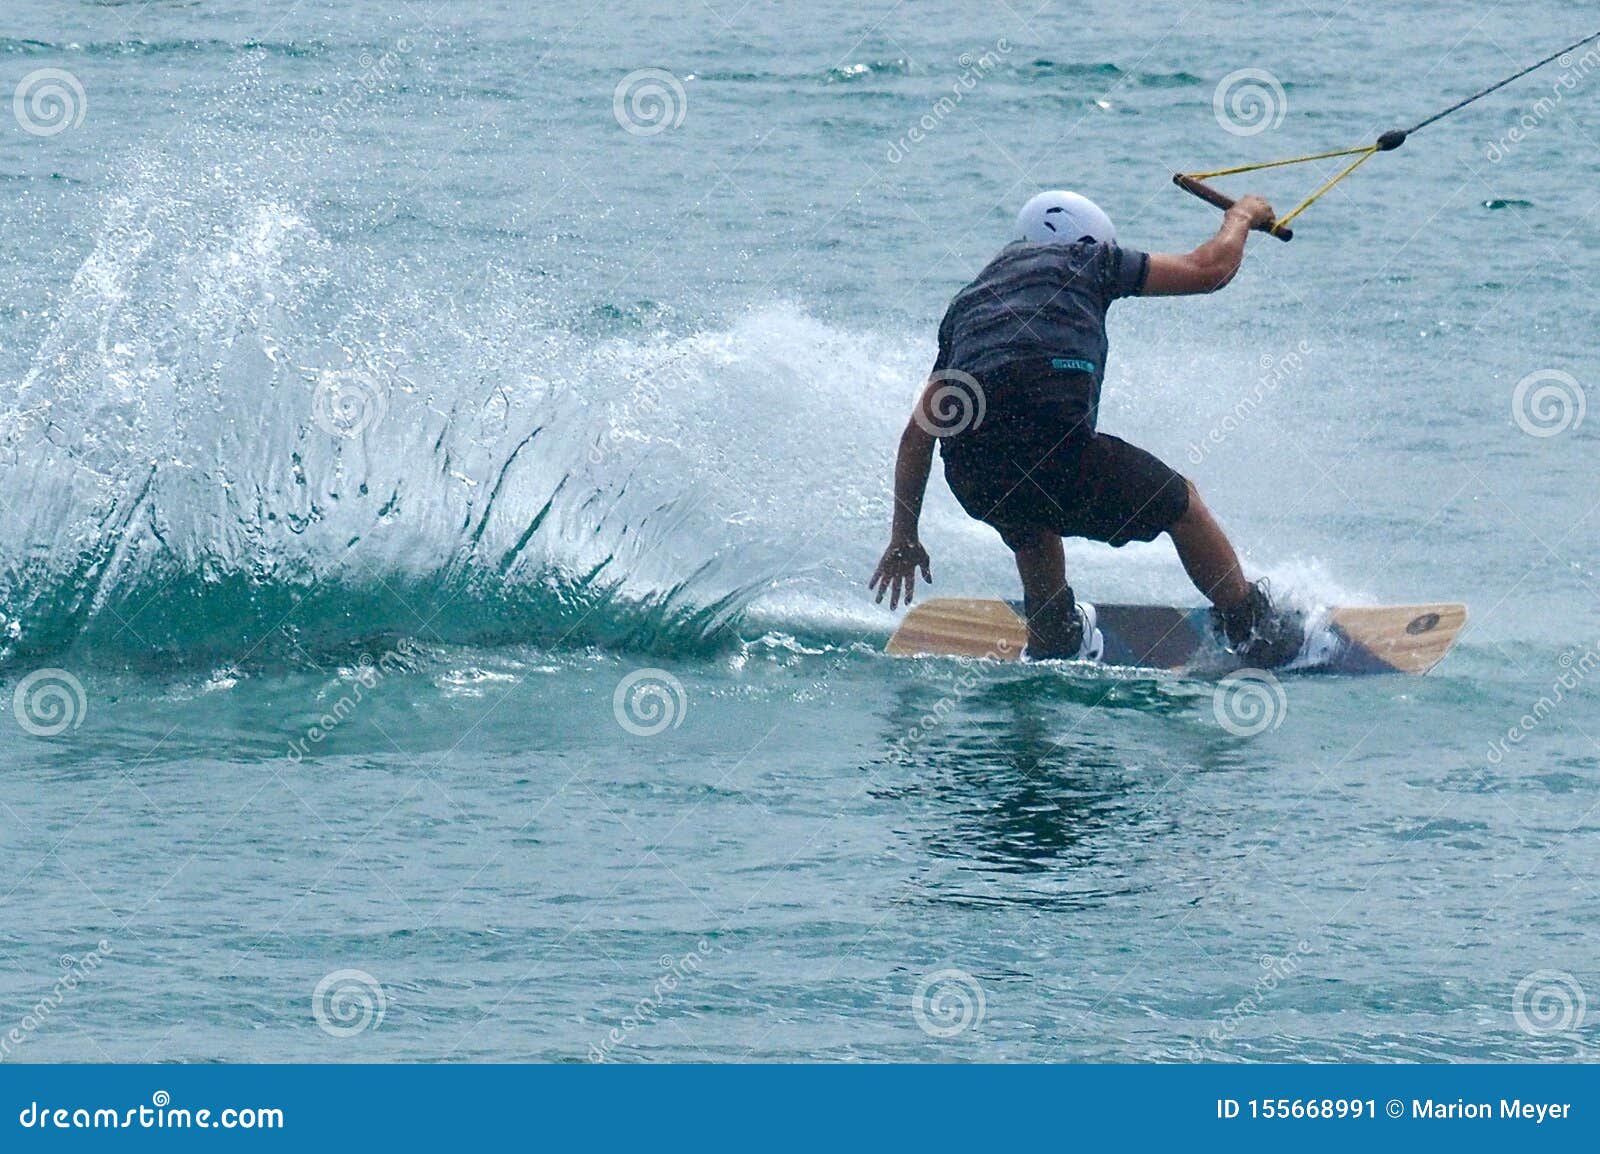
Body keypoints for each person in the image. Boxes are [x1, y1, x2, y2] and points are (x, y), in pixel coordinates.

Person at [868, 189, 1304, 666]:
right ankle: (1254, 629)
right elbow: (1208, 271)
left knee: (1030, 519)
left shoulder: (971, 300)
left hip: (975, 475)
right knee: (1183, 505)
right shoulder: (1087, 261)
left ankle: (1055, 635)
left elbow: (919, 433)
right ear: (1091, 242)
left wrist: (904, 537)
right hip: (1054, 448)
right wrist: (1241, 216)